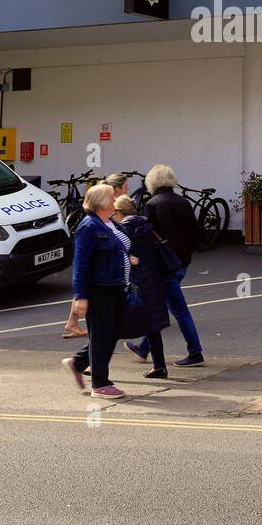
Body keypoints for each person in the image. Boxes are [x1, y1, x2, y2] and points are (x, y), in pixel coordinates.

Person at [128, 163, 205, 367]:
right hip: (181, 263)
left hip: (164, 266)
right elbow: (197, 235)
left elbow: (143, 237)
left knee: (178, 309)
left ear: (152, 182)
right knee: (163, 304)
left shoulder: (152, 205)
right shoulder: (184, 202)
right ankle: (144, 348)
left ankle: (195, 351)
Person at [61, 183, 131, 398]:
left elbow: (121, 246)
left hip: (117, 286)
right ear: (101, 203)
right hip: (100, 289)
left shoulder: (109, 222)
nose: (115, 200)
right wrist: (80, 296)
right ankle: (99, 384)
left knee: (113, 332)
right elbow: (81, 265)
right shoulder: (89, 227)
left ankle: (79, 362)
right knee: (101, 336)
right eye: (112, 197)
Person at [112, 195, 171, 379]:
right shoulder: (146, 226)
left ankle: (92, 364)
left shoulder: (124, 231)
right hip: (153, 280)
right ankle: (159, 366)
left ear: (120, 213)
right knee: (152, 325)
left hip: (135, 282)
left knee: (113, 325)